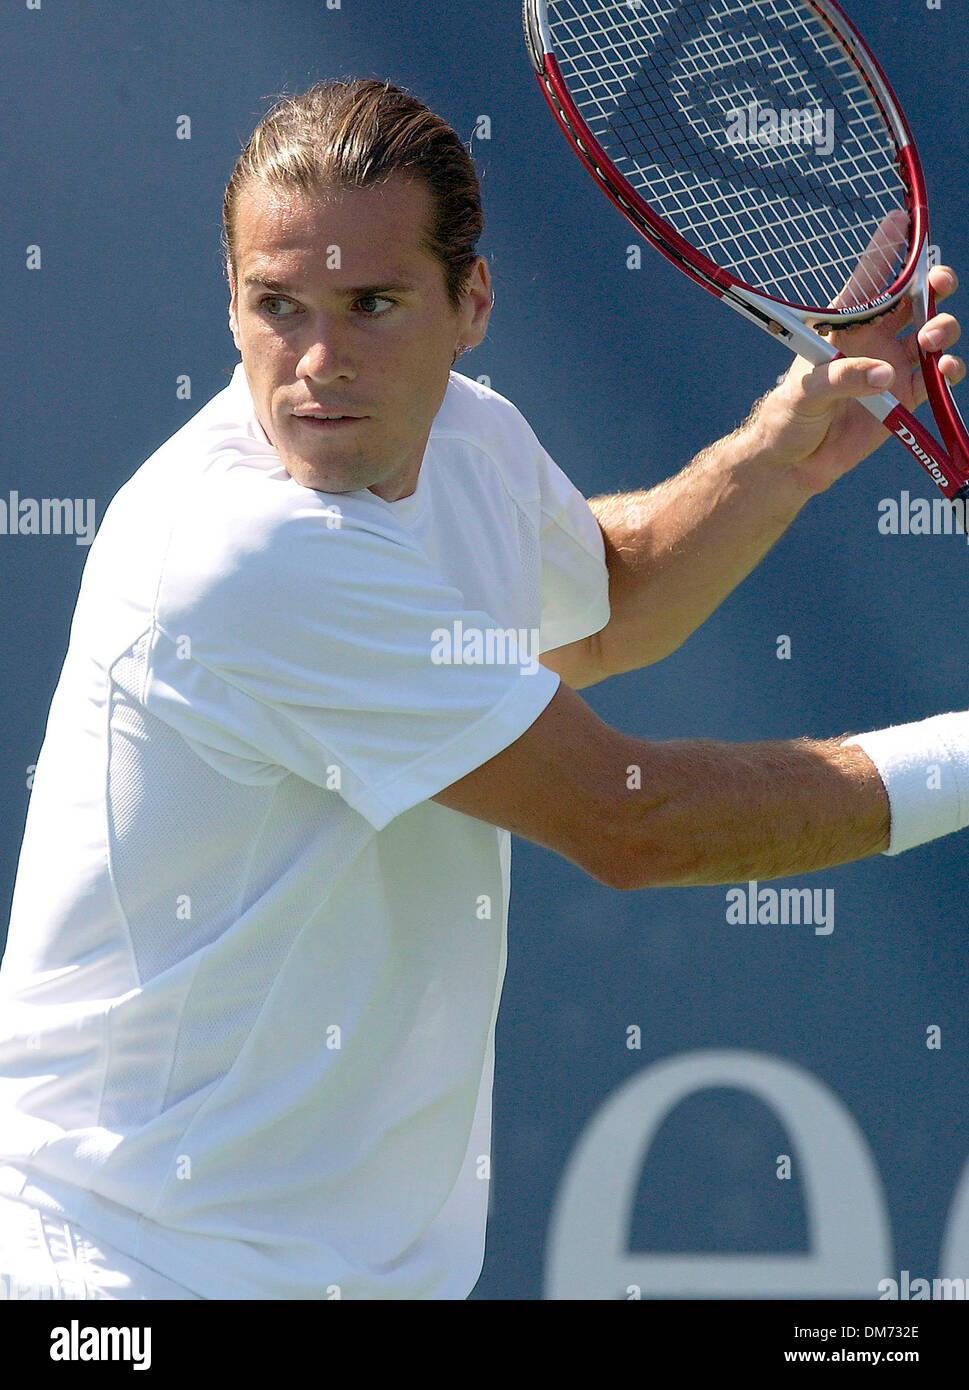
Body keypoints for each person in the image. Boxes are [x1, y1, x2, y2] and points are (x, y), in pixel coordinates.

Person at [0, 77, 965, 1302]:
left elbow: (600, 606)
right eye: (275, 306)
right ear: (231, 304)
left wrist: (784, 458)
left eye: (373, 305)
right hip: (126, 1271)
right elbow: (634, 817)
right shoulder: (241, 558)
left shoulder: (472, 441)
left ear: (474, 305)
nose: (316, 361)